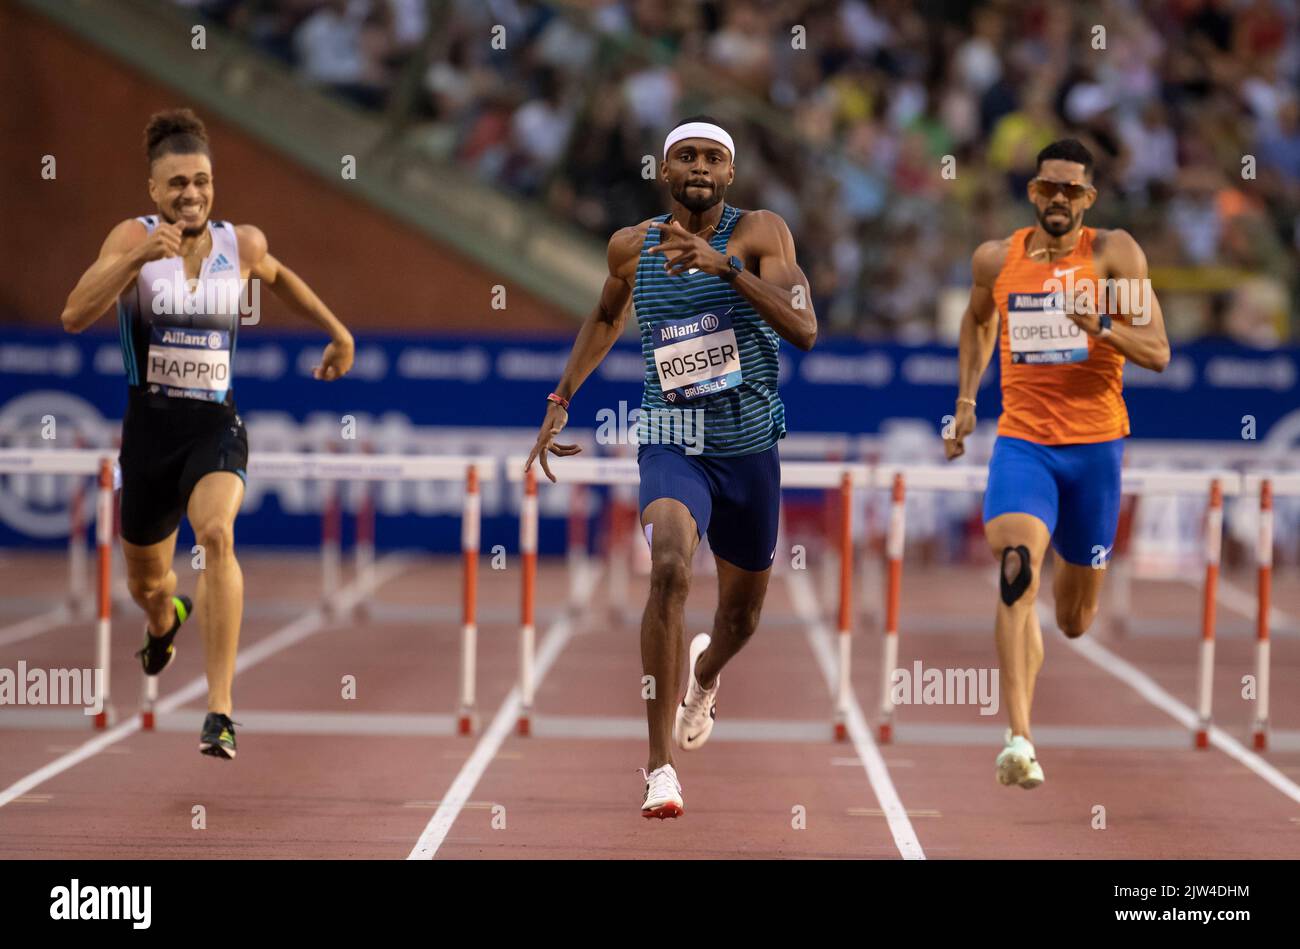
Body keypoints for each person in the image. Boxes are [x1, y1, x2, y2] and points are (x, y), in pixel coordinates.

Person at [525, 116, 817, 817]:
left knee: (740, 619)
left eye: (712, 158)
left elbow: (804, 327)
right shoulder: (630, 247)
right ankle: (659, 767)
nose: (698, 166)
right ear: (663, 170)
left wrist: (727, 269)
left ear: (729, 174)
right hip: (671, 431)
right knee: (668, 568)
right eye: (685, 155)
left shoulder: (761, 234)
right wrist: (563, 395)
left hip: (748, 444)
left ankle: (705, 678)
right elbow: (603, 317)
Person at [59, 108, 355, 759]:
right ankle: (166, 621)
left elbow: (281, 279)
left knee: (217, 534)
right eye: (176, 186)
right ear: (153, 192)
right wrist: (138, 256)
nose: (190, 194)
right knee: (148, 586)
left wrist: (338, 332)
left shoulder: (239, 243)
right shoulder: (129, 237)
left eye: (201, 181)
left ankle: (219, 709)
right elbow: (75, 314)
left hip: (215, 427)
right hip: (148, 436)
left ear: (212, 183)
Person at [945, 139, 1170, 789]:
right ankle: (1019, 736)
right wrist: (966, 400)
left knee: (1074, 620)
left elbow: (1157, 350)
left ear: (1088, 200)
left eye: (1073, 190)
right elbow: (978, 321)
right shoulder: (997, 258)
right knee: (1016, 567)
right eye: (1049, 187)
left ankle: (1043, 629)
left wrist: (1099, 323)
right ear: (1033, 192)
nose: (1059, 199)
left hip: (1096, 449)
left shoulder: (1113, 253)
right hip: (1023, 443)